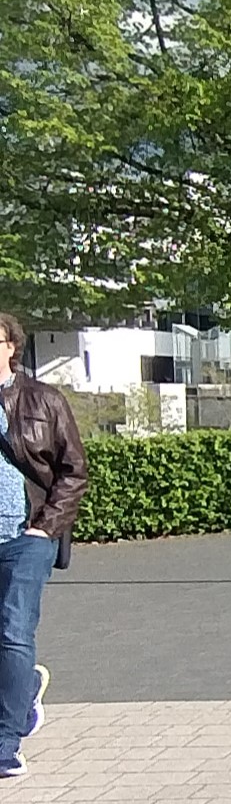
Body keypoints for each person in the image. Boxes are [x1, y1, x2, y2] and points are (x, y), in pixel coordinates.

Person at [0, 313, 87, 779]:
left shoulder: (43, 400)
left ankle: (5, 744)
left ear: (11, 346)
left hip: (26, 534)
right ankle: (25, 687)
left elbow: (74, 470)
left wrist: (46, 527)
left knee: (13, 630)